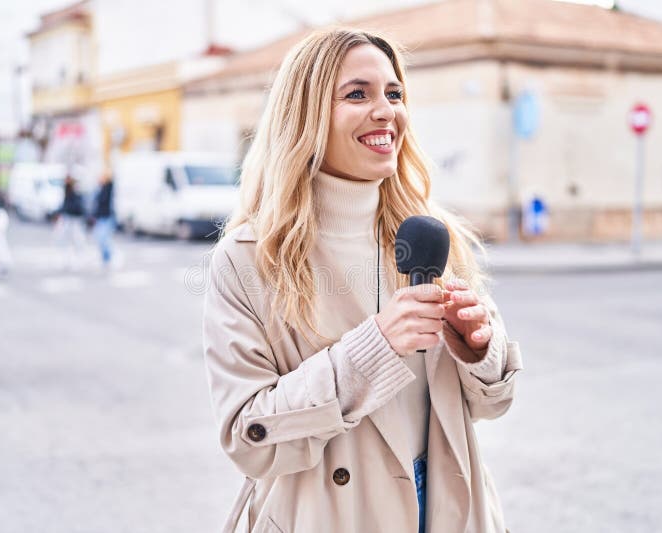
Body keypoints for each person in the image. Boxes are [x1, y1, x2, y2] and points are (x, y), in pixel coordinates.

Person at [203, 29, 523, 533]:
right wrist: (374, 348)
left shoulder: (429, 232)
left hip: (445, 508)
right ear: (304, 116)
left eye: (394, 94)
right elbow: (248, 439)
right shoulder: (249, 259)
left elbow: (494, 403)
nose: (386, 111)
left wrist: (479, 351)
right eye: (358, 94)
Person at [54, 175, 87, 270]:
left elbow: (76, 207)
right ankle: (67, 260)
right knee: (64, 239)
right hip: (68, 219)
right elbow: (66, 205)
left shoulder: (75, 192)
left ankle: (78, 259)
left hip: (75, 220)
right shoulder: (67, 192)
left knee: (78, 240)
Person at [91, 171, 116, 268]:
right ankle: (105, 258)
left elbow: (103, 201)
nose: (100, 179)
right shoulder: (101, 189)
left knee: (104, 239)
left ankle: (109, 257)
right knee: (100, 239)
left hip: (107, 217)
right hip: (101, 218)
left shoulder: (108, 188)